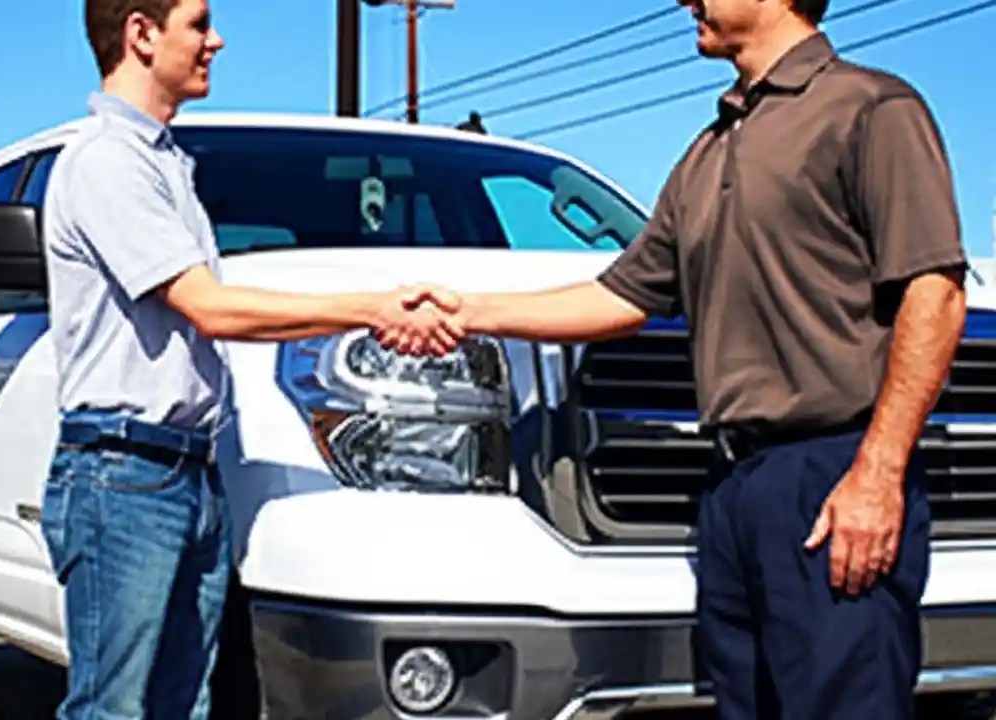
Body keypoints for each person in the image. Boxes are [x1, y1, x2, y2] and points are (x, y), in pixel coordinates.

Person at [397, 0, 969, 717]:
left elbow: (935, 293)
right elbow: (621, 295)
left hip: (832, 475)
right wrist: (470, 314)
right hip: (731, 488)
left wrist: (877, 474)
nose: (685, 1)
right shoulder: (709, 150)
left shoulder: (871, 108)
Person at [37, 1, 462, 718]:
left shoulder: (165, 164)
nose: (216, 40)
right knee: (113, 708)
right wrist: (371, 309)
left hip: (183, 472)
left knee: (182, 703)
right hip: (124, 473)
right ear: (141, 34)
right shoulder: (107, 164)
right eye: (198, 23)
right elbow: (209, 307)